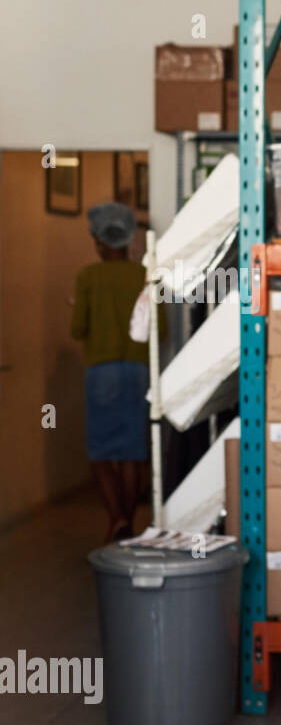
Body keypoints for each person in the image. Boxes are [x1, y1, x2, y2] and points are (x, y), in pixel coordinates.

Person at [70, 201, 164, 543]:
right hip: (138, 371)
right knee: (132, 452)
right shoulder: (145, 276)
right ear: (128, 241)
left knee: (101, 452)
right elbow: (160, 330)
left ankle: (116, 518)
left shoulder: (88, 277)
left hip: (102, 373)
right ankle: (130, 524)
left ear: (98, 241)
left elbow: (78, 327)